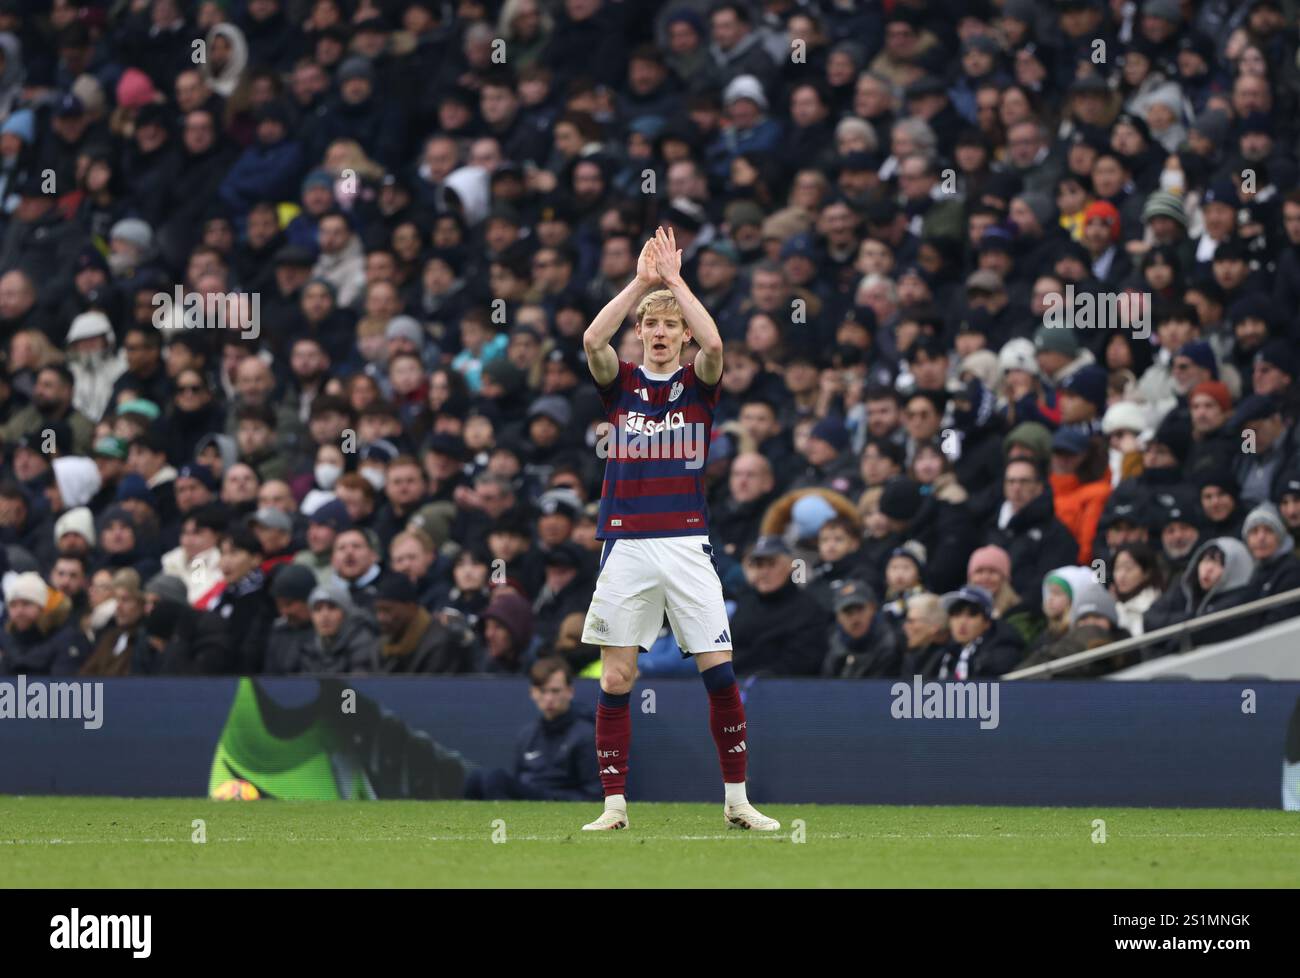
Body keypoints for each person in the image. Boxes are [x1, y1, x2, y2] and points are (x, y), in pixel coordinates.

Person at [578, 228, 779, 832]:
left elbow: (718, 342)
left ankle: (737, 802)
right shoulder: (622, 389)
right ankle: (614, 808)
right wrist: (642, 282)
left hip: (687, 543)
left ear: (682, 334)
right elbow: (591, 339)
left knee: (718, 672)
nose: (661, 333)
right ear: (640, 333)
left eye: (670, 326)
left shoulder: (699, 384)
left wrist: (676, 282)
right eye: (651, 326)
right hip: (627, 544)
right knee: (617, 677)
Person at [463, 657, 601, 801]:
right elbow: (519, 779)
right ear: (533, 693)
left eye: (555, 691)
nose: (549, 698)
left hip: (555, 800)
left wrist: (549, 798)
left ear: (570, 692)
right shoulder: (528, 734)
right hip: (527, 796)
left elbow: (593, 794)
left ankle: (503, 820)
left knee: (496, 778)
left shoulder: (585, 735)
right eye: (542, 691)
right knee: (476, 778)